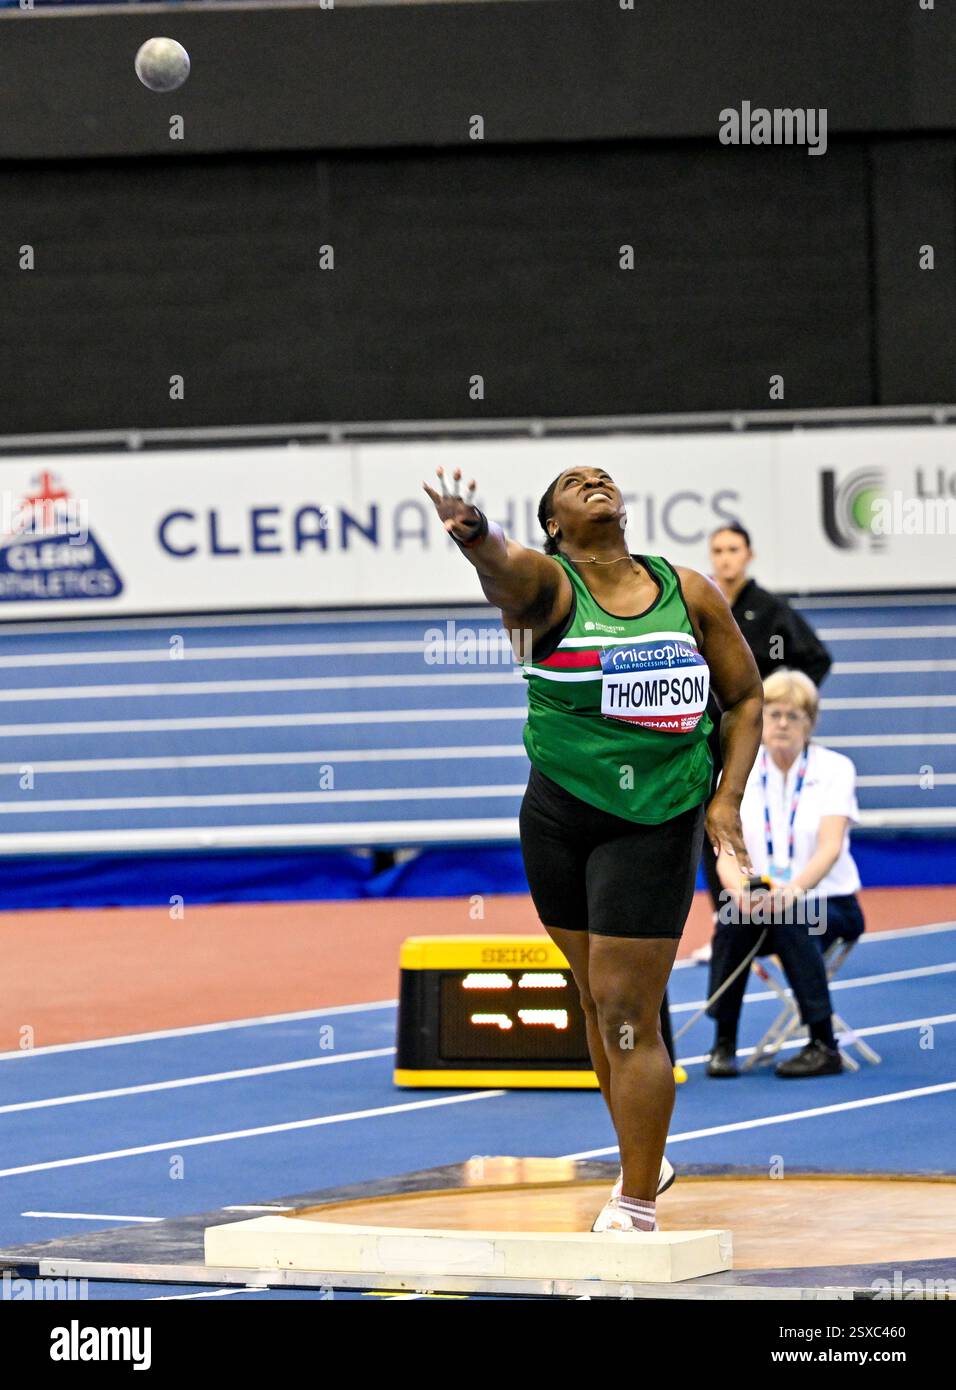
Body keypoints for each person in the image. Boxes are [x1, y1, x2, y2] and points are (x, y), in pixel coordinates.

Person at [424, 463, 763, 1234]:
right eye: (573, 483)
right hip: (557, 814)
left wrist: (728, 803)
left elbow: (745, 698)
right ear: (554, 526)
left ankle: (636, 1202)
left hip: (653, 818)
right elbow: (504, 568)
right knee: (593, 995)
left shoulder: (690, 593)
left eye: (601, 476)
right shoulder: (547, 588)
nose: (593, 481)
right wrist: (476, 536)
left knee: (624, 1010)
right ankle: (644, 1150)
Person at [708, 668, 866, 1079]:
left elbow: (831, 847)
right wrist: (740, 891)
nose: (781, 724)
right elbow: (725, 849)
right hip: (761, 899)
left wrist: (793, 891)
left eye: (792, 716)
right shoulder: (738, 771)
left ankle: (823, 1043)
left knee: (790, 917)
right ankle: (723, 1041)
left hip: (829, 903)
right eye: (773, 714)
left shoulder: (835, 769)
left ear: (810, 723)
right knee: (731, 918)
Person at [697, 522, 833, 937]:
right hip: (708, 736)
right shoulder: (704, 604)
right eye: (718, 550)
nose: (725, 558)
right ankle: (727, 923)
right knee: (709, 825)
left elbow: (816, 658)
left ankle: (774, 910)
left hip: (753, 739)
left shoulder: (771, 608)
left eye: (733, 549)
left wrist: (781, 701)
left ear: (749, 555)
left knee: (752, 822)